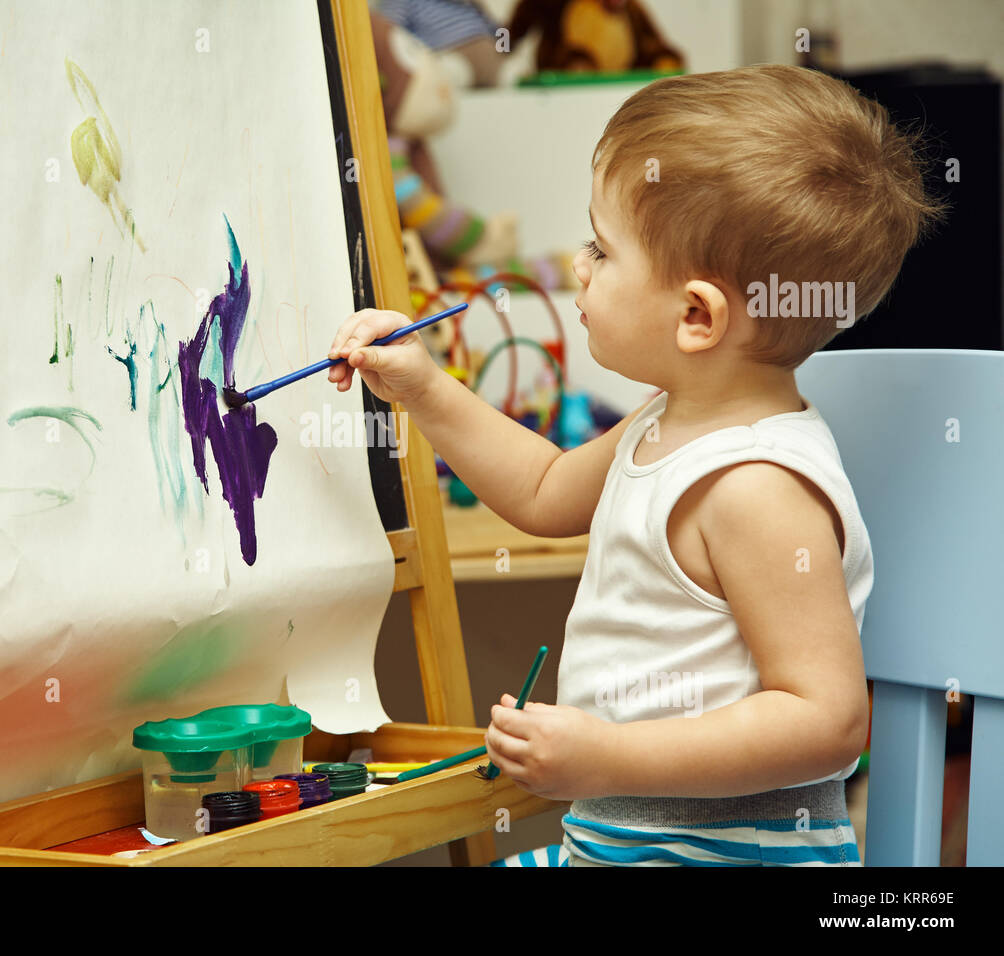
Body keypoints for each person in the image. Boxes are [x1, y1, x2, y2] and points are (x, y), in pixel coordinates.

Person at [325, 64, 946, 866]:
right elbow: (545, 492)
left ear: (696, 315)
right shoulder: (667, 421)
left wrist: (606, 757)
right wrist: (424, 388)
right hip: (616, 845)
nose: (579, 266)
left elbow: (826, 723)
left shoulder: (756, 487)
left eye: (601, 249)